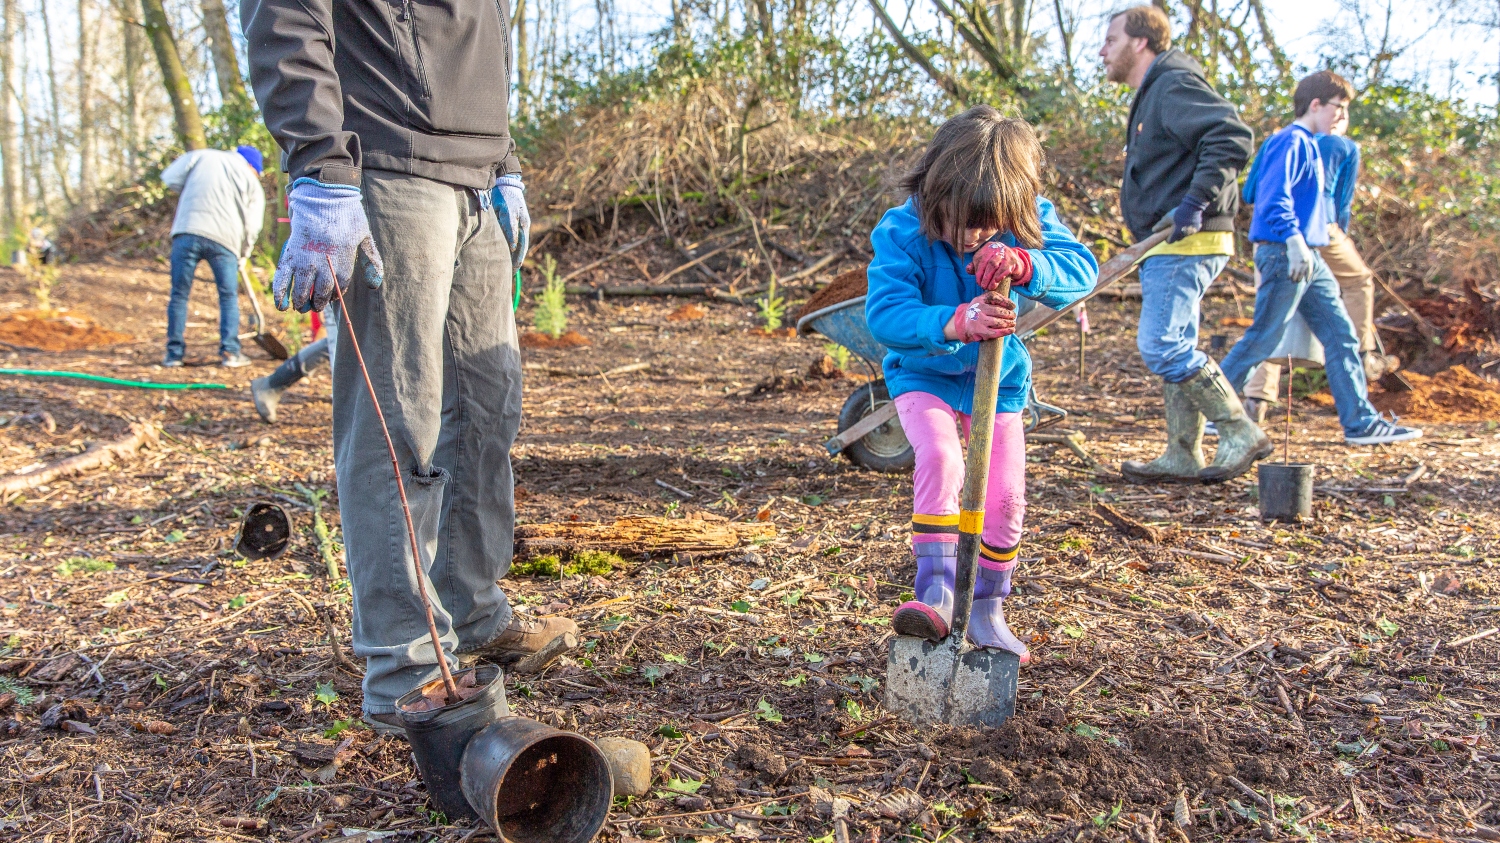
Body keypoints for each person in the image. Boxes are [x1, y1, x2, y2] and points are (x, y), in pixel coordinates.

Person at [244, 0, 574, 735]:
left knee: (486, 413)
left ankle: (472, 614)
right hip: (383, 161)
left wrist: (506, 162)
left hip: (476, 179)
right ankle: (407, 666)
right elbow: (286, 14)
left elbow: (477, 41)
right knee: (400, 420)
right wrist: (323, 168)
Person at [866, 107, 1098, 664]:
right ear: (932, 190)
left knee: (1007, 499)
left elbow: (1081, 271)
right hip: (924, 375)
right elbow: (885, 314)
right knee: (944, 460)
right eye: (955, 221)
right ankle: (938, 594)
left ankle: (988, 607)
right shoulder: (902, 229)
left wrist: (1025, 263)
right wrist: (953, 323)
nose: (969, 238)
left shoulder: (1026, 219)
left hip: (1001, 383)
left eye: (984, 226)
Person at [1098, 6, 1270, 484]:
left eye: (1110, 40)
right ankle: (1182, 453)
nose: (1102, 50)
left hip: (1185, 238)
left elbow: (1231, 136)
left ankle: (1239, 430)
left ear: (1140, 42)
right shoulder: (1157, 89)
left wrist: (1196, 200)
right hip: (1169, 242)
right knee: (1177, 342)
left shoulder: (1172, 83)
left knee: (1162, 345)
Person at [1219, 71, 1421, 446]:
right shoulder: (1291, 141)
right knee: (1264, 336)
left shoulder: (1309, 143)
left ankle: (1360, 423)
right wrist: (1294, 239)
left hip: (1310, 256)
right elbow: (1270, 196)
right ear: (1316, 105)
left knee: (1341, 334)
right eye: (1339, 108)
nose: (1342, 117)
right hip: (1286, 253)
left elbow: (1250, 188)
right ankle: (1215, 410)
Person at [160, 145, 267, 367]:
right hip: (225, 240)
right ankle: (230, 353)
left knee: (179, 294)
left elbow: (169, 177)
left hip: (187, 230)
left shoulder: (201, 156)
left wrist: (191, 190)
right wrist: (244, 253)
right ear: (251, 166)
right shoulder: (250, 179)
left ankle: (173, 355)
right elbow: (253, 223)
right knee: (228, 296)